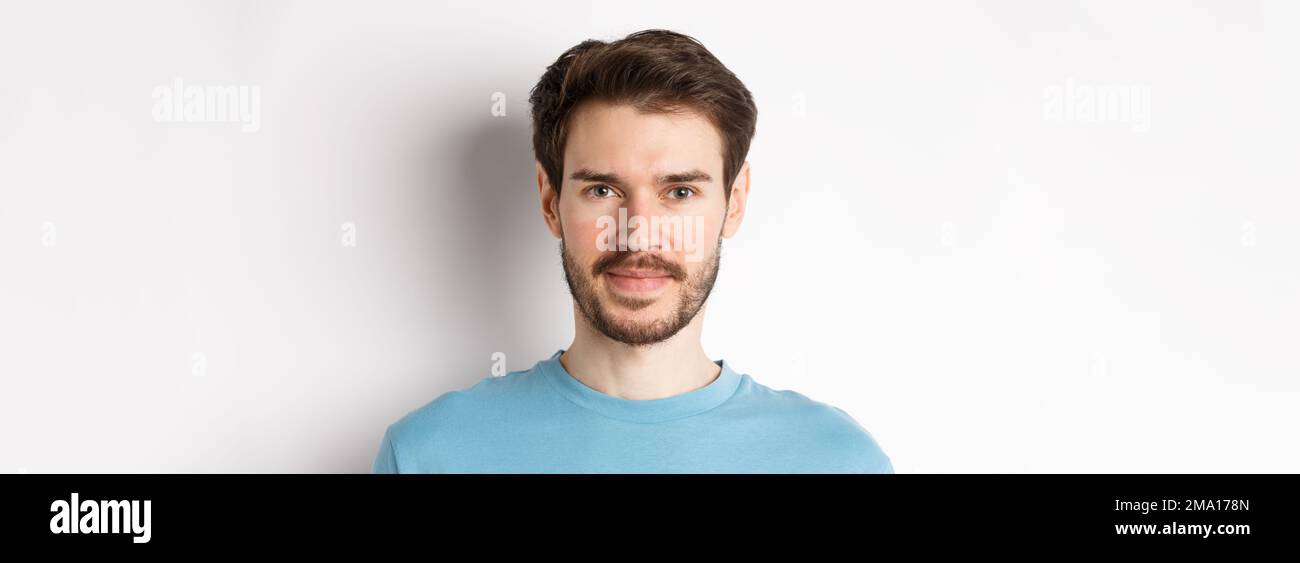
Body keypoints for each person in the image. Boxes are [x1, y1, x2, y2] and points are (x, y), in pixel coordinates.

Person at [373, 29, 894, 473]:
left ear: (734, 204)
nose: (639, 234)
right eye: (603, 191)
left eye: (680, 192)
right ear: (551, 202)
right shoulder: (430, 454)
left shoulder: (836, 460)